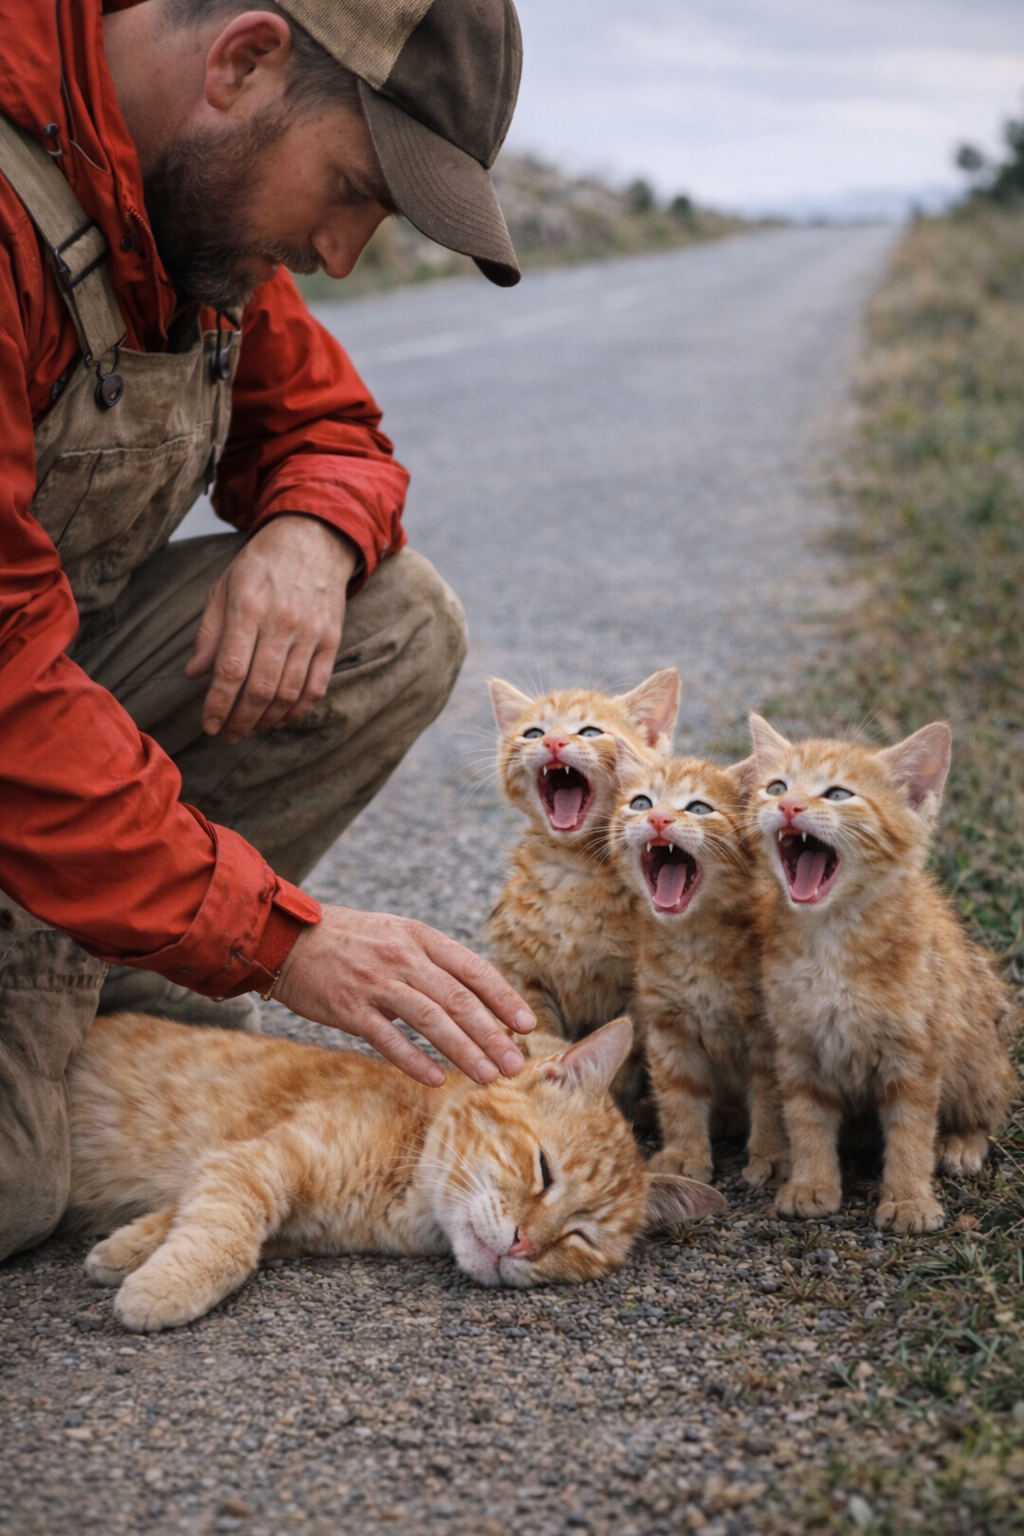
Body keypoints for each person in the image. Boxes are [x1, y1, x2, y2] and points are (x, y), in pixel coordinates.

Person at [0, 0, 535, 1262]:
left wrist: (313, 530)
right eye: (350, 188)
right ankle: (89, 956)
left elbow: (334, 430)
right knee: (21, 1188)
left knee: (389, 620)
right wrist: (277, 939)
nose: (340, 255)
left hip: (31, 751)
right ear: (244, 62)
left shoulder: (182, 206)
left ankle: (91, 963)